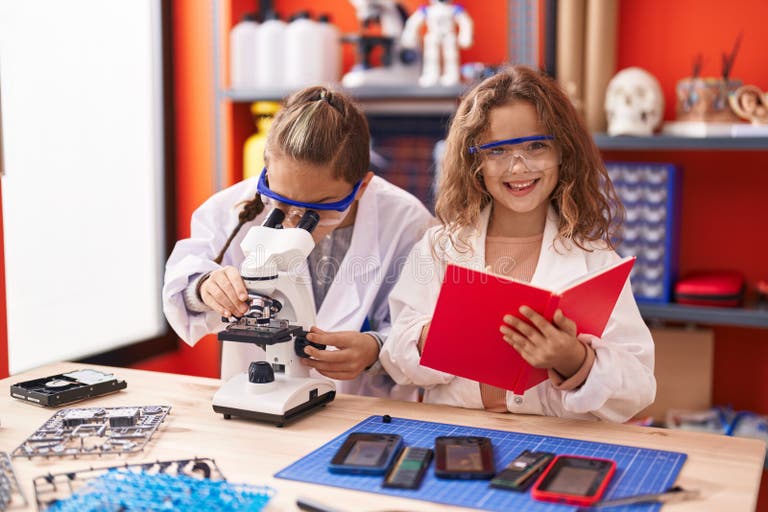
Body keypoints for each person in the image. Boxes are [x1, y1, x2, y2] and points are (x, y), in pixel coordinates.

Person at [380, 66, 655, 422]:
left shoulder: (595, 260)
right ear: (474, 160)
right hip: (457, 439)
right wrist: (437, 337)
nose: (519, 166)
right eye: (498, 151)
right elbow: (394, 355)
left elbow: (639, 388)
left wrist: (574, 359)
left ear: (563, 153)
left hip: (556, 444)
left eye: (536, 146)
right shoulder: (439, 247)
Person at [163, 86, 433, 399]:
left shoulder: (406, 221)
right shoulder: (232, 207)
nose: (293, 219)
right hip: (257, 400)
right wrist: (204, 288)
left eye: (317, 209)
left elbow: (426, 327)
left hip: (361, 406)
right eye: (280, 201)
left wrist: (376, 348)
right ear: (266, 168)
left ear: (362, 186)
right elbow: (181, 283)